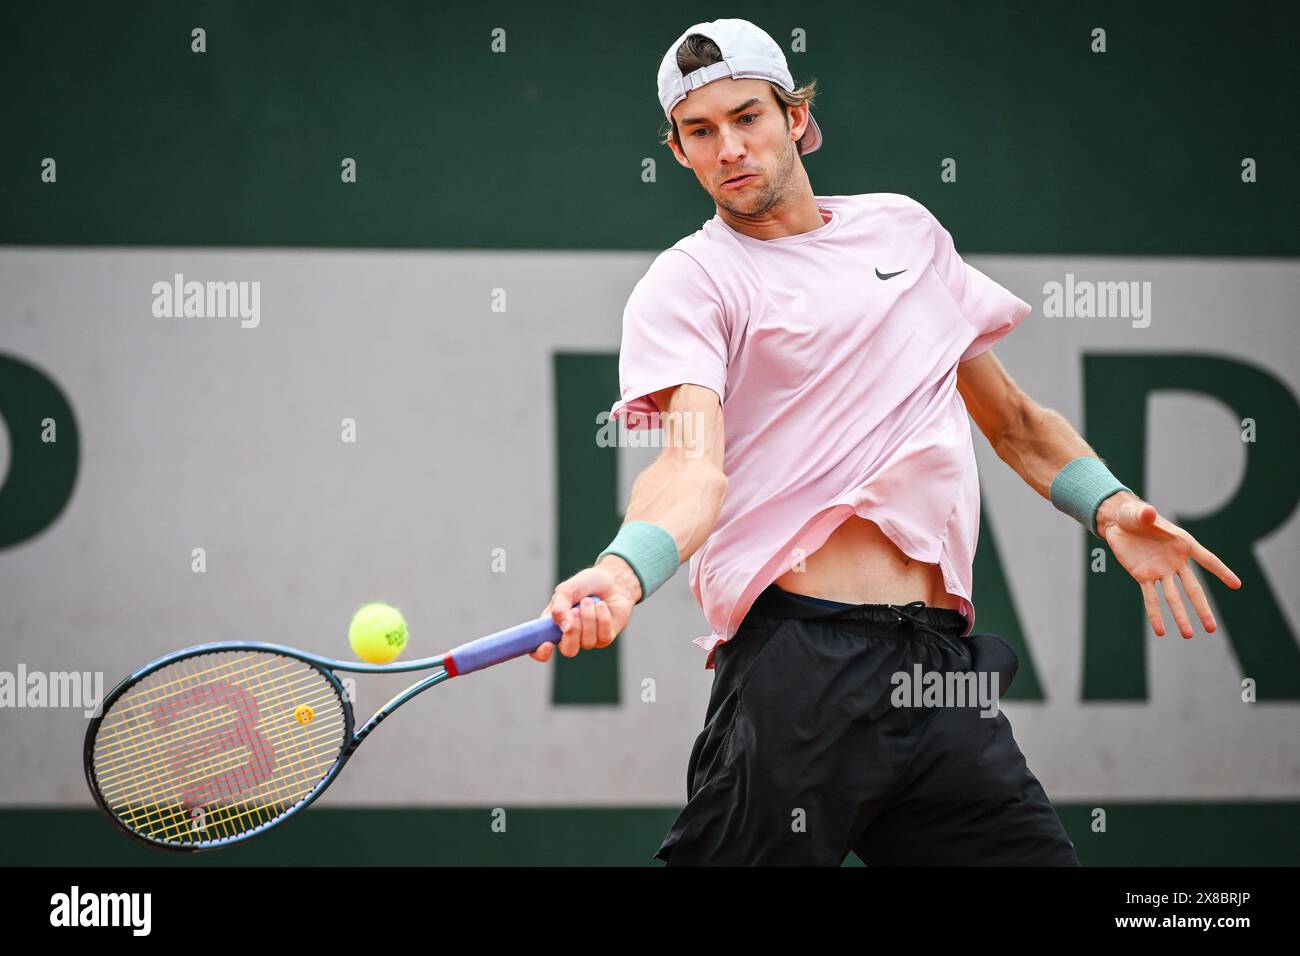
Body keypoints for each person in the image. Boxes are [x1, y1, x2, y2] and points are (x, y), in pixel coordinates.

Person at [535, 18, 1242, 866]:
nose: (728, 147)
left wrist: (1113, 506)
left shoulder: (905, 232)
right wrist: (622, 571)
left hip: (938, 671)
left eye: (747, 117)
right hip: (801, 671)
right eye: (700, 131)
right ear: (680, 151)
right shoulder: (689, 282)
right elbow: (691, 465)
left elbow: (1013, 421)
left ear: (795, 117)